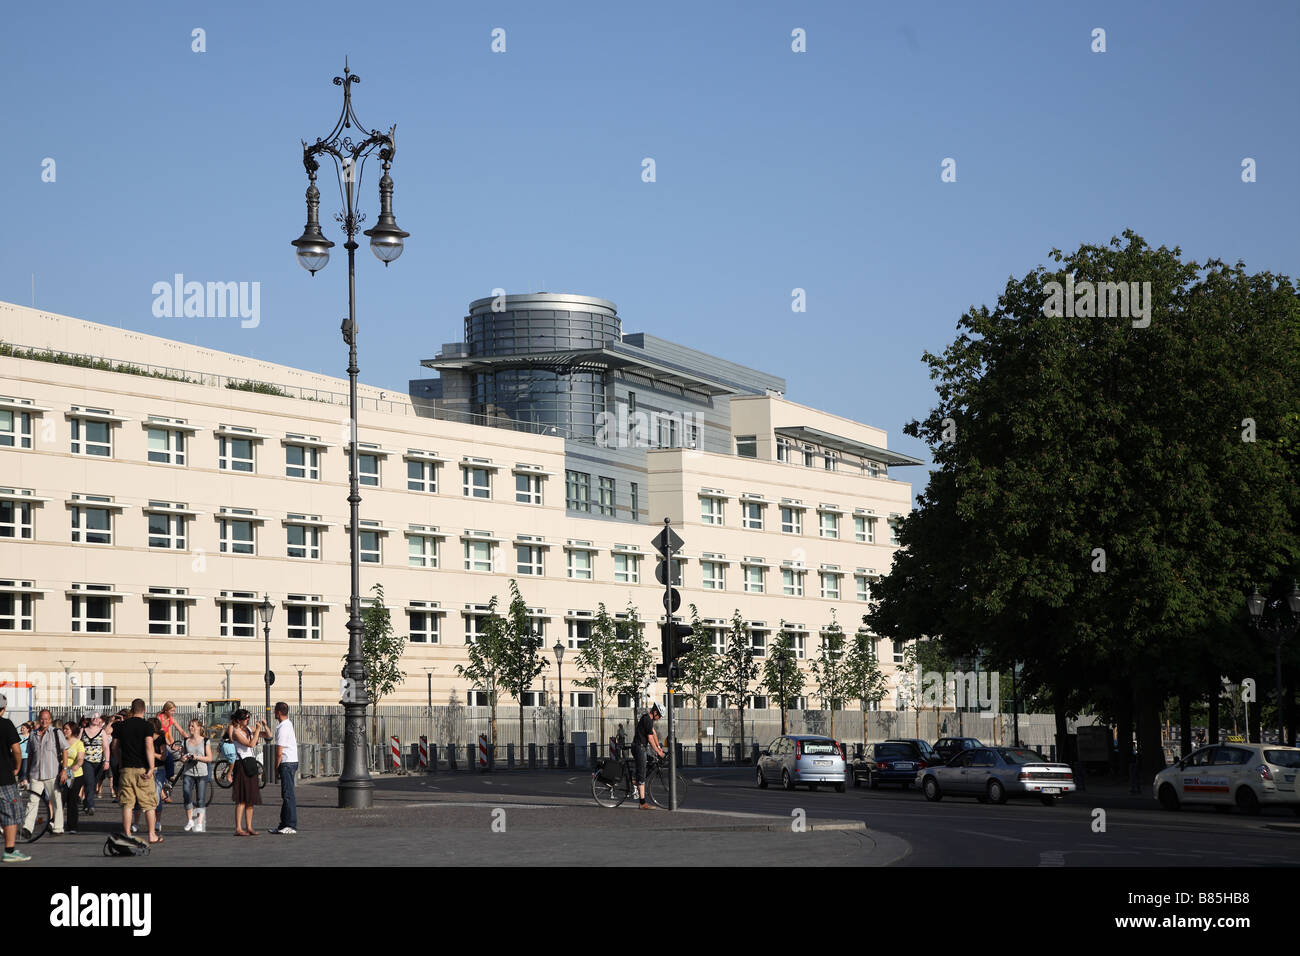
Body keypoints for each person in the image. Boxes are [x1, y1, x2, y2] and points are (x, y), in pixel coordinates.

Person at [112, 698, 160, 845]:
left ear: (131, 710)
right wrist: (151, 767)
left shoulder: (121, 726)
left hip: (126, 769)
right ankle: (152, 834)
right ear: (144, 710)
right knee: (149, 805)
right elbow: (149, 746)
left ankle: (127, 834)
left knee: (127, 804)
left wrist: (121, 763)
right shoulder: (147, 726)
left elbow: (114, 747)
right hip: (142, 770)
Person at [23, 709, 65, 837]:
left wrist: (64, 770)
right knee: (32, 800)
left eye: (47, 719)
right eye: (42, 718)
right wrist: (27, 773)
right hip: (36, 773)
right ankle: (27, 828)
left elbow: (65, 750)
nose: (44, 721)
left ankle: (58, 827)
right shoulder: (33, 734)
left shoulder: (56, 733)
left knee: (56, 800)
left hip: (52, 773)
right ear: (38, 719)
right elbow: (30, 754)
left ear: (50, 720)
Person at [229, 709, 270, 836]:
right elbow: (251, 744)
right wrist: (257, 730)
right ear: (239, 720)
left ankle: (249, 826)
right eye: (245, 718)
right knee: (241, 798)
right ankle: (238, 828)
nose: (248, 720)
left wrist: (264, 725)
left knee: (251, 799)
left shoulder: (248, 729)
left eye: (248, 718)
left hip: (250, 763)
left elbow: (268, 735)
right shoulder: (236, 732)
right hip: (241, 765)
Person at [1, 694, 31, 862]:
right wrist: (18, 767)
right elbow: (17, 750)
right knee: (10, 813)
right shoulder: (6, 725)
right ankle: (10, 851)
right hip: (4, 777)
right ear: (3, 708)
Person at [268, 702, 298, 835]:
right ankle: (283, 824)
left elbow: (279, 751)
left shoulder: (282, 728)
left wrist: (276, 768)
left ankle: (290, 824)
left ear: (279, 712)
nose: (274, 713)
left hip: (286, 762)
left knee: (288, 795)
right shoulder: (288, 724)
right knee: (286, 794)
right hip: (291, 761)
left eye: (275, 711)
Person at [180, 718, 211, 832]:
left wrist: (196, 757)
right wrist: (183, 758)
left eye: (193, 726)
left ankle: (199, 822)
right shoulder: (186, 741)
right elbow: (182, 757)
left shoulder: (205, 741)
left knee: (200, 799)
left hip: (202, 772)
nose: (190, 728)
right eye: (189, 726)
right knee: (186, 795)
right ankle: (190, 820)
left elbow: (209, 758)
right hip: (188, 772)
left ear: (199, 727)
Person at [632, 703, 665, 810]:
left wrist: (659, 747)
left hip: (640, 747)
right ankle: (642, 803)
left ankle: (636, 778)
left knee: (651, 762)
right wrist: (658, 751)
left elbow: (654, 734)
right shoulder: (647, 720)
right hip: (639, 748)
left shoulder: (648, 720)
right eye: (659, 716)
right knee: (642, 775)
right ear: (655, 712)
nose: (659, 718)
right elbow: (650, 738)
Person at [79, 715, 108, 816]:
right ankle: (91, 805)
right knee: (89, 782)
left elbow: (106, 747)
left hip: (99, 761)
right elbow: (78, 744)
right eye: (93, 717)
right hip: (86, 760)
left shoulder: (102, 732)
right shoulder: (82, 731)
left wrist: (107, 761)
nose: (95, 719)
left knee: (93, 783)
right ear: (89, 719)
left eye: (97, 717)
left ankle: (86, 802)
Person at [60, 722, 86, 835]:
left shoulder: (78, 743)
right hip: (62, 773)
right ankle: (58, 824)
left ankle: (72, 825)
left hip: (75, 775)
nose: (64, 731)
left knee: (72, 800)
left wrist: (77, 765)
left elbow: (81, 758)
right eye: (64, 729)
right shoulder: (61, 742)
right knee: (61, 799)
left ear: (73, 730)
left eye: (67, 729)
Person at [156, 702, 180, 801]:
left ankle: (169, 778)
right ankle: (170, 776)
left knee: (179, 755)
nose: (173, 712)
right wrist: (170, 745)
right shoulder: (159, 718)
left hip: (166, 742)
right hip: (159, 742)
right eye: (172, 710)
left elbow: (170, 735)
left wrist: (174, 744)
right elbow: (161, 735)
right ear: (166, 710)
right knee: (168, 756)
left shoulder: (170, 720)